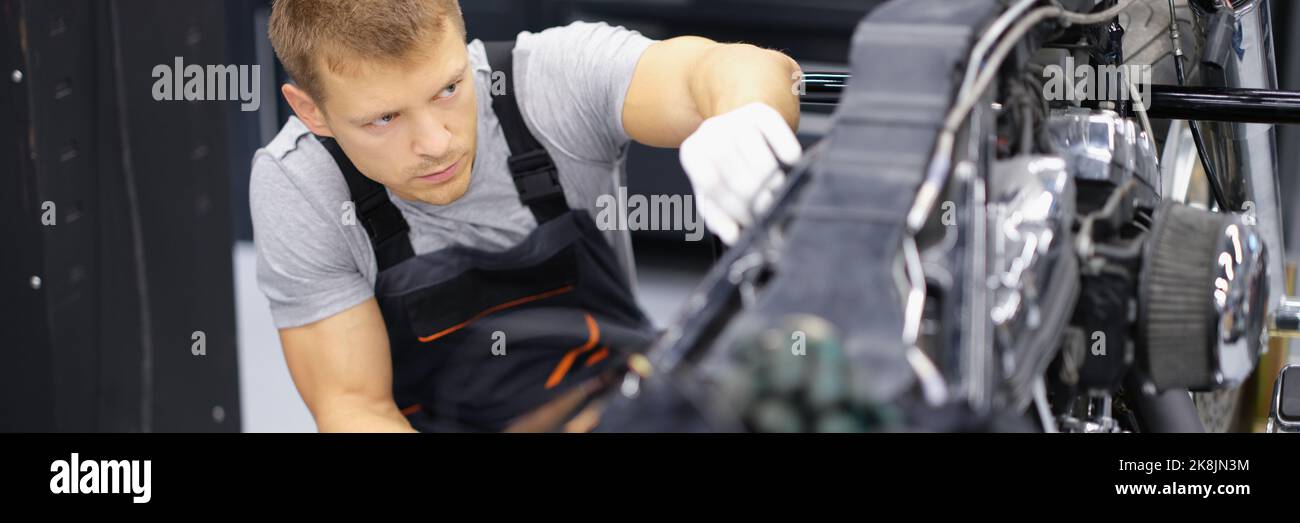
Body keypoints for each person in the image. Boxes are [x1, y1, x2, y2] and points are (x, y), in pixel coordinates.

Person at [251, 0, 802, 432]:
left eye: (448, 88)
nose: (435, 142)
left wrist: (745, 118)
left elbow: (732, 67)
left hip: (617, 403)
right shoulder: (299, 183)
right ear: (311, 111)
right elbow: (355, 409)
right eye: (383, 119)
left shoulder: (546, 82)